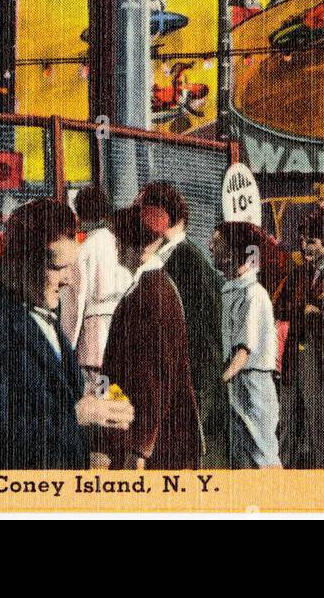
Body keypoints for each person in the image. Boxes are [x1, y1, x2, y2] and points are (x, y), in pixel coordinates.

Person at [0, 198, 133, 470]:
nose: (69, 280)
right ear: (20, 262)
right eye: (57, 268)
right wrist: (77, 415)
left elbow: (68, 378)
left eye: (71, 267)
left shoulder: (43, 310)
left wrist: (106, 393)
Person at [100, 205, 202, 471]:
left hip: (156, 446)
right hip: (141, 432)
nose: (115, 248)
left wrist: (140, 449)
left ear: (132, 246)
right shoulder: (148, 287)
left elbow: (154, 379)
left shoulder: (152, 295)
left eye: (118, 241)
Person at [137, 181, 228, 467]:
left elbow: (206, 338)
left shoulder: (186, 260)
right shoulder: (171, 257)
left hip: (191, 391)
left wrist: (198, 400)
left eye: (144, 213)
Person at [274, 209, 324, 469]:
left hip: (323, 357)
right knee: (288, 419)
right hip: (294, 354)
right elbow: (279, 308)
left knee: (322, 421)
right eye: (303, 240)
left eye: (311, 241)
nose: (305, 246)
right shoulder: (298, 274)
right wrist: (307, 308)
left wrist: (310, 310)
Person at [210, 220, 280, 469]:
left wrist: (216, 381)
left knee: (262, 454)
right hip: (235, 382)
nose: (210, 247)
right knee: (240, 456)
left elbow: (243, 351)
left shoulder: (253, 293)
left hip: (253, 385)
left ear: (231, 252)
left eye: (216, 243)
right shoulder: (228, 289)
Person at [60, 186, 129, 381]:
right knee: (115, 398)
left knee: (98, 397)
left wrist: (66, 347)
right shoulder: (120, 245)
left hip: (94, 344)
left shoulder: (84, 251)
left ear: (80, 214)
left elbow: (74, 302)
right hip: (121, 340)